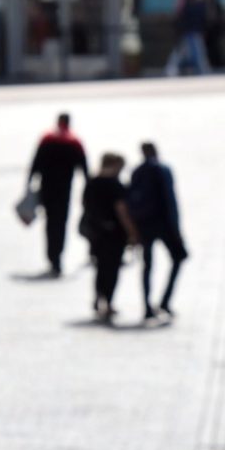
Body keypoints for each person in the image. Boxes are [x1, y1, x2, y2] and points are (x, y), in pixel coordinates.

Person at [128, 142, 187, 320]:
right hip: (164, 225)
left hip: (144, 225)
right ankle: (165, 301)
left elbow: (130, 200)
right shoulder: (163, 169)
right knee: (178, 258)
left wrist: (133, 229)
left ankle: (147, 305)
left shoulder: (137, 171)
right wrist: (176, 229)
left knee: (147, 266)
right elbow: (170, 200)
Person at [28, 113, 89, 276]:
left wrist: (29, 182)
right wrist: (88, 188)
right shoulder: (74, 142)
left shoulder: (47, 139)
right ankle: (58, 257)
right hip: (64, 190)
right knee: (61, 223)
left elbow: (36, 162)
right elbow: (84, 166)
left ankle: (51, 256)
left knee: (49, 223)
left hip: (47, 188)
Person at [81, 153, 140, 322]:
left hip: (95, 232)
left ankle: (98, 297)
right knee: (112, 269)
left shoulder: (91, 183)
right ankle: (107, 301)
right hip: (114, 234)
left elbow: (85, 205)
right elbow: (122, 211)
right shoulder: (115, 185)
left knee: (100, 267)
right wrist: (132, 233)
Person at [165, 0, 213, 76]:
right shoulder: (191, 3)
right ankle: (203, 71)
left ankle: (171, 69)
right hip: (191, 31)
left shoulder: (189, 2)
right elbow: (182, 17)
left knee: (184, 51)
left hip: (191, 31)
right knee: (195, 53)